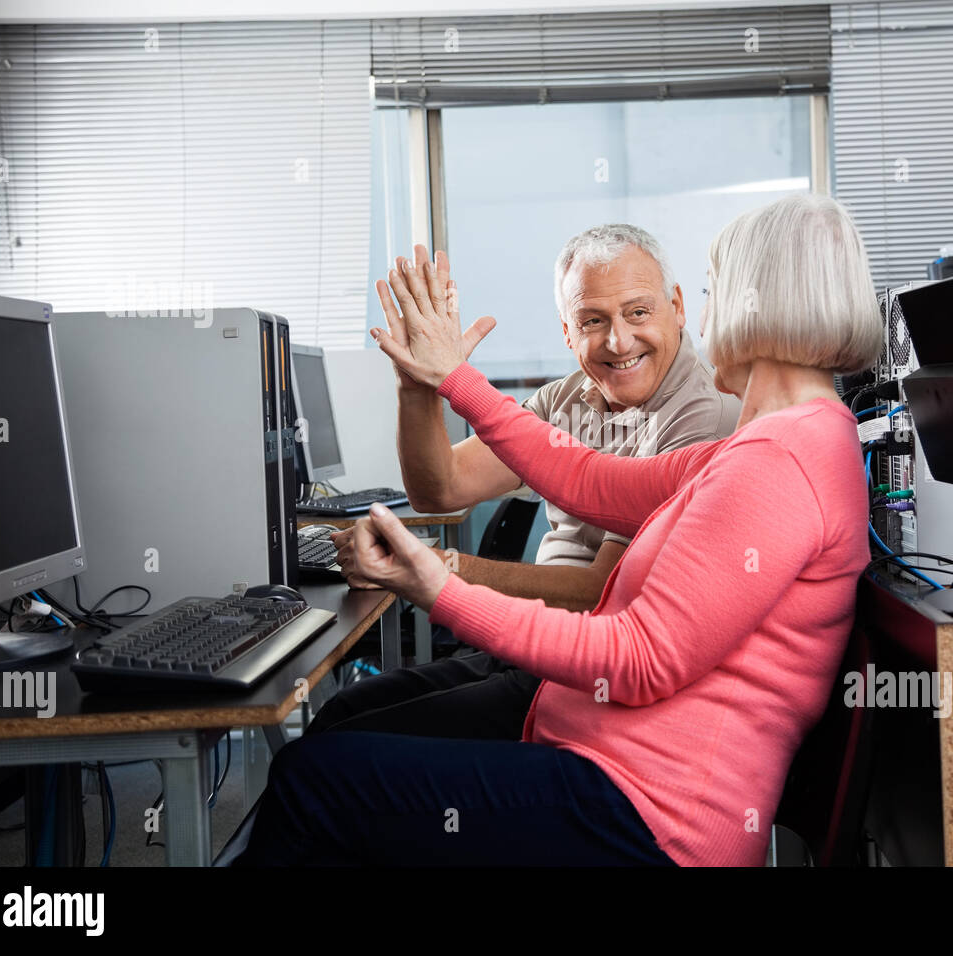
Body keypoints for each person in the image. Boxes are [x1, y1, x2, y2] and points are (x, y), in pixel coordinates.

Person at [237, 193, 881, 867]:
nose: (707, 310)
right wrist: (451, 379)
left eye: (713, 289)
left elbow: (640, 659)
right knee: (336, 759)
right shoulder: (783, 441)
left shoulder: (776, 461)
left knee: (312, 783)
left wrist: (440, 587)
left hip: (650, 816)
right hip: (613, 764)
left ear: (750, 306)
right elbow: (592, 481)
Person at [309, 225, 739, 740]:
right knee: (338, 714)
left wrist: (435, 568)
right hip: (529, 648)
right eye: (593, 320)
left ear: (677, 307)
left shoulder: (703, 413)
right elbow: (439, 489)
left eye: (638, 312)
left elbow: (600, 593)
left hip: (585, 676)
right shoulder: (567, 398)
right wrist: (417, 383)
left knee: (340, 745)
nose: (618, 340)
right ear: (567, 332)